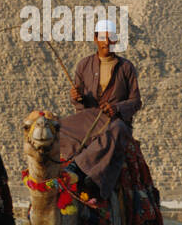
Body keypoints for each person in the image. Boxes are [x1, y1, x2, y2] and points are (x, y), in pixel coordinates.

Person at [56, 17, 140, 200]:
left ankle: (79, 169)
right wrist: (77, 97)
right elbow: (79, 104)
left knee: (115, 132)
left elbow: (136, 101)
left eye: (111, 38)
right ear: (95, 39)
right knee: (58, 127)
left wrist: (116, 108)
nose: (107, 42)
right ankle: (47, 170)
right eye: (103, 38)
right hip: (90, 117)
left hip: (116, 120)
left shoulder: (126, 68)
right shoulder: (84, 65)